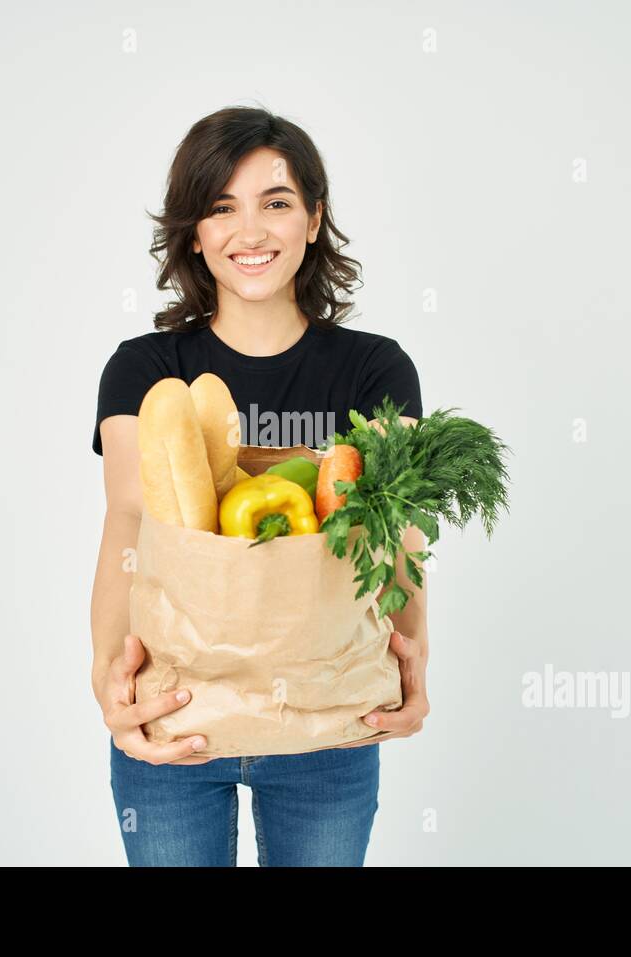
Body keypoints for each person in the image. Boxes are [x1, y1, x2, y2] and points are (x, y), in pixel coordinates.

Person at [91, 106, 431, 866]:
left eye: (275, 203)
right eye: (221, 207)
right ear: (194, 231)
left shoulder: (376, 369)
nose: (251, 231)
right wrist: (108, 685)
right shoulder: (146, 370)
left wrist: (417, 660)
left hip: (326, 721)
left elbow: (398, 532)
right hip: (178, 712)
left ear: (314, 218)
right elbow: (127, 522)